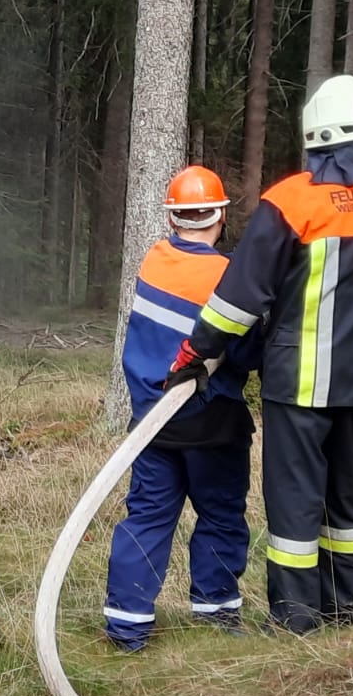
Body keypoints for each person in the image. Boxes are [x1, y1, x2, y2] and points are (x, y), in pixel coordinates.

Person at [168, 74, 353, 635]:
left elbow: (240, 297)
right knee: (343, 493)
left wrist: (197, 351)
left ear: (316, 138)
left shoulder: (292, 202)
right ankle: (348, 606)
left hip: (300, 378)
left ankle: (294, 617)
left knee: (294, 500)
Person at [104, 166, 259, 652]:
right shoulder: (228, 277)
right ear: (220, 217)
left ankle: (127, 625)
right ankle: (216, 615)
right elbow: (246, 354)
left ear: (172, 219)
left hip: (152, 424)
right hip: (211, 424)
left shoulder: (153, 260)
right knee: (220, 516)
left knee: (147, 518)